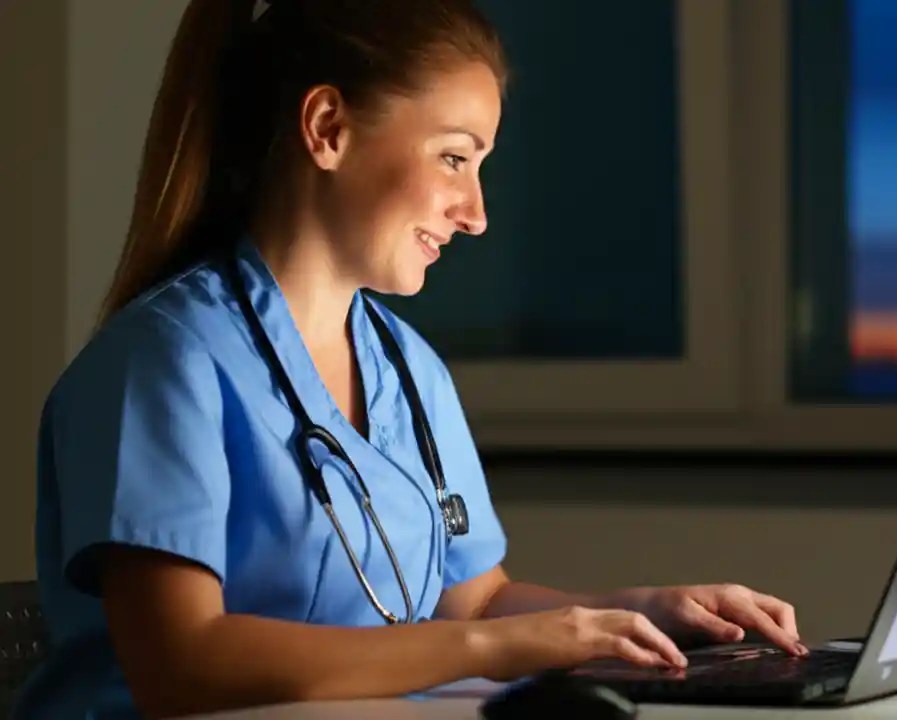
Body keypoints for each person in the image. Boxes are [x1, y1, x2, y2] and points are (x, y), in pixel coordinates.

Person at [16, 1, 806, 717]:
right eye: (454, 159)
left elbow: (472, 601)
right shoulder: (164, 362)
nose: (477, 214)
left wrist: (634, 612)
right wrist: (492, 648)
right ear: (328, 128)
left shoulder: (407, 368)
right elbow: (180, 665)